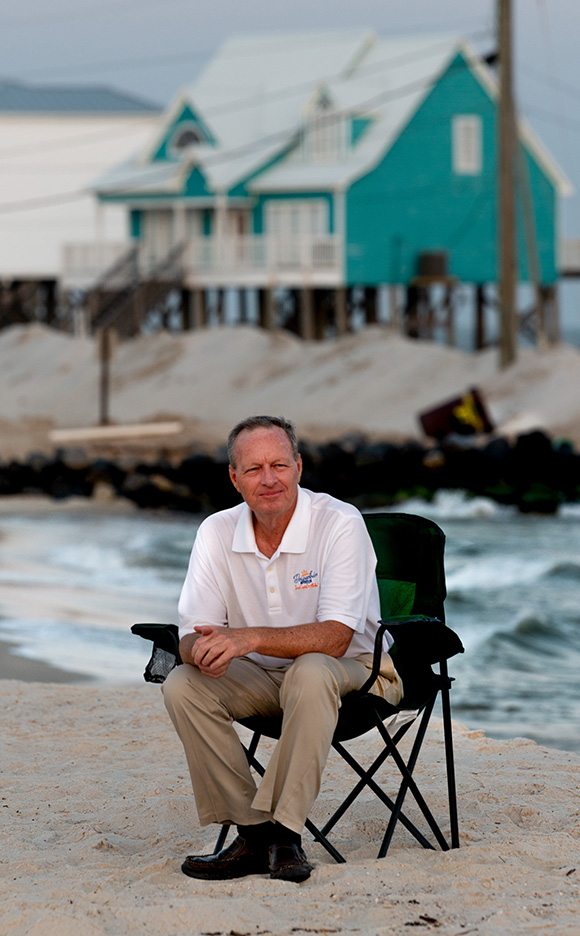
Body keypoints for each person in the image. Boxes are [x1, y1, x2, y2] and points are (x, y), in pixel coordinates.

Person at [162, 415, 403, 883]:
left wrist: (247, 637)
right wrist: (198, 650)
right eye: (253, 469)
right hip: (261, 677)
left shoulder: (339, 522)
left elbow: (336, 637)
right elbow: (191, 631)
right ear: (234, 478)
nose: (268, 479)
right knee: (182, 685)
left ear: (299, 467)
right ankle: (254, 836)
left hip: (355, 670)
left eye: (279, 465)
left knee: (310, 670)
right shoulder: (215, 531)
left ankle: (286, 834)